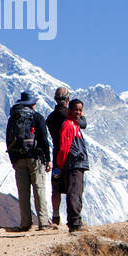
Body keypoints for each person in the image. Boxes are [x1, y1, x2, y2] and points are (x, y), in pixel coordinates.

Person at [5, 90, 52, 231]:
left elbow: (8, 139)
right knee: (39, 189)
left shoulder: (13, 118)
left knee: (23, 192)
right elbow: (44, 140)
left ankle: (26, 223)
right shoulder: (37, 117)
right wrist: (48, 159)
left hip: (18, 158)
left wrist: (13, 159)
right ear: (33, 104)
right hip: (35, 158)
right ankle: (43, 222)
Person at [45, 86, 86, 227]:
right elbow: (83, 124)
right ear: (68, 100)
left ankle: (55, 216)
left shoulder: (50, 118)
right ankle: (74, 220)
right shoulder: (69, 118)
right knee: (72, 189)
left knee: (56, 187)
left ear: (55, 99)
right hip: (69, 156)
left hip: (57, 154)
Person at [54, 98, 90, 232]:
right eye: (75, 110)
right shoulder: (69, 125)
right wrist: (61, 164)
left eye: (80, 110)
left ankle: (76, 221)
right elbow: (64, 148)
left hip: (77, 164)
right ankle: (74, 223)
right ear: (69, 110)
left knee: (77, 192)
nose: (78, 112)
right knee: (74, 193)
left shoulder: (76, 125)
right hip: (73, 164)